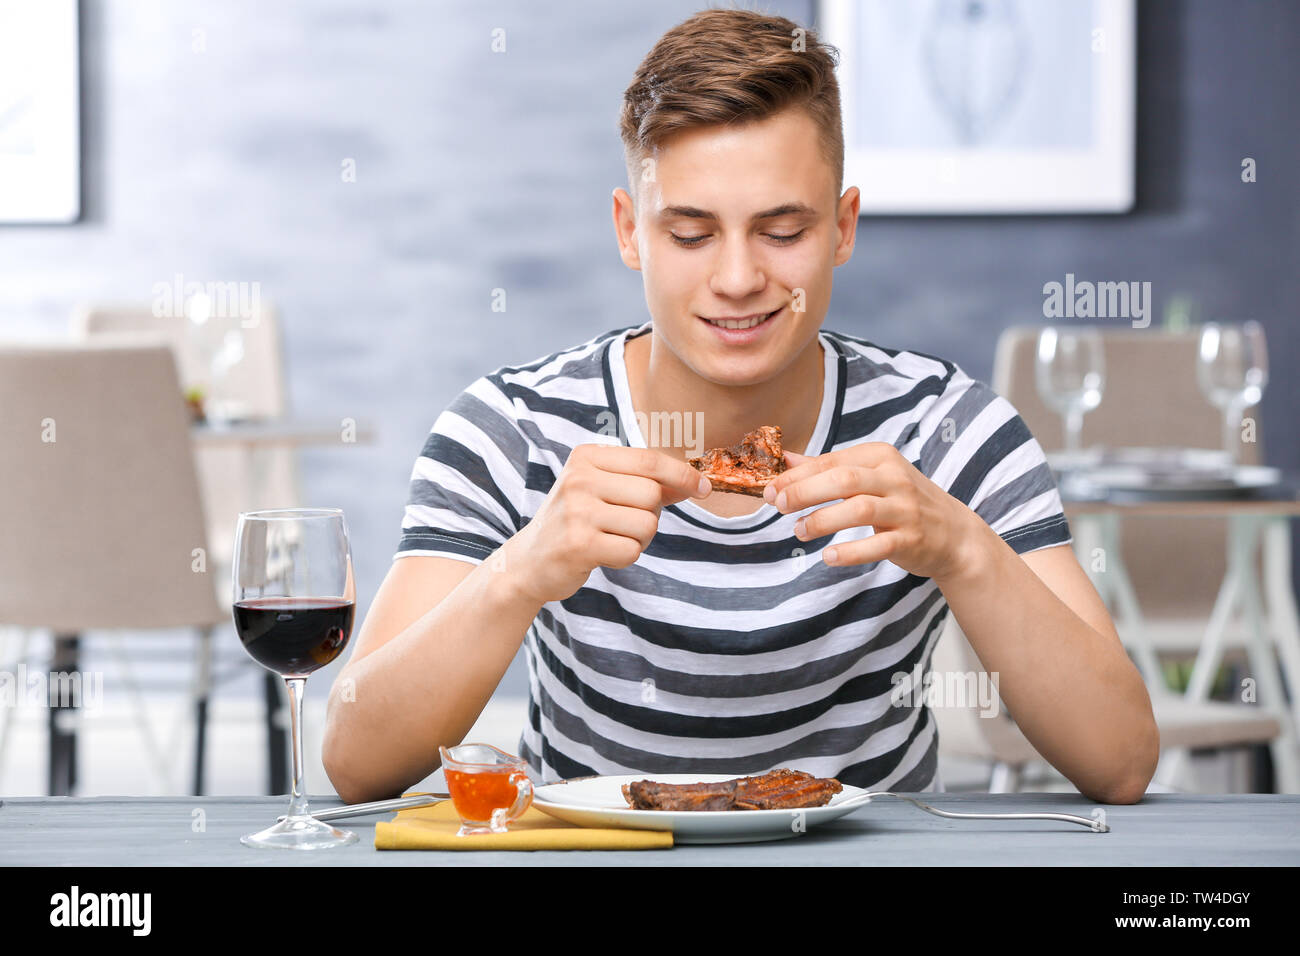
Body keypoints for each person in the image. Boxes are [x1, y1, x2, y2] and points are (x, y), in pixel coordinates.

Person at [322, 8, 1158, 806]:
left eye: (782, 231)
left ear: (842, 228)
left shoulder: (949, 428)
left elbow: (1118, 762)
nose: (736, 279)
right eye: (690, 234)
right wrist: (522, 570)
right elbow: (357, 763)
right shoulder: (511, 428)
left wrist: (962, 549)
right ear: (629, 231)